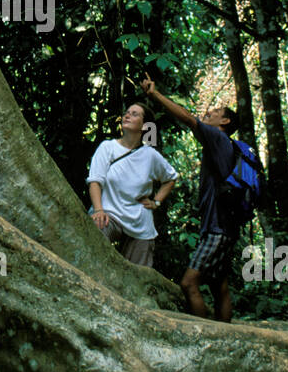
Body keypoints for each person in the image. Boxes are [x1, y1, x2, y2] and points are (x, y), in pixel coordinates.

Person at [138, 76, 246, 321]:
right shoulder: (226, 146)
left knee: (189, 284)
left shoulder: (218, 138)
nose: (210, 111)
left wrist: (154, 95)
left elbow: (188, 119)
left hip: (217, 229)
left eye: (216, 111)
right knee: (220, 287)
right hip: (225, 228)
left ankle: (206, 335)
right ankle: (226, 336)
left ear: (225, 121)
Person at [87, 101, 178, 270]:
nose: (127, 115)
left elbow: (170, 178)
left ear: (145, 126)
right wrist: (98, 210)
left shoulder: (150, 155)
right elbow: (95, 181)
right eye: (127, 112)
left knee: (140, 274)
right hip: (109, 214)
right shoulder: (107, 148)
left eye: (134, 114)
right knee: (93, 240)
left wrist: (156, 202)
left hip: (139, 221)